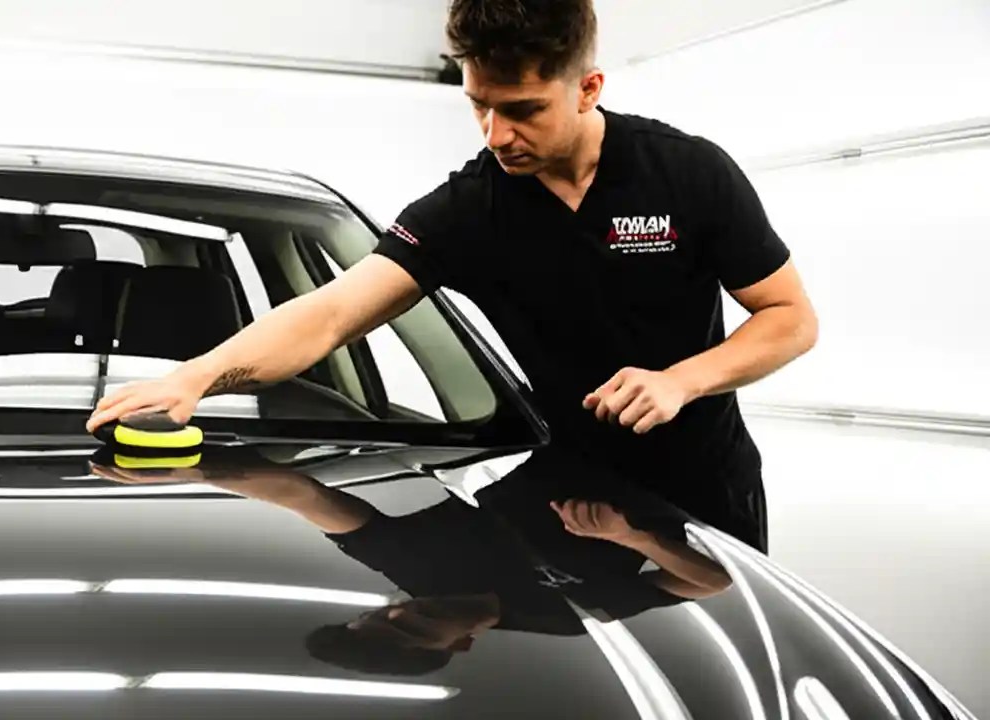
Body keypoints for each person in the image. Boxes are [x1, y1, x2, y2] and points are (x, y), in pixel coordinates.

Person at [86, 0, 818, 554]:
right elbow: (332, 314)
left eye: (523, 110)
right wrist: (198, 378)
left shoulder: (687, 174)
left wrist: (681, 380)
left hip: (702, 498)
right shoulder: (471, 210)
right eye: (479, 106)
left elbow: (790, 318)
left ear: (587, 88)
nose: (497, 136)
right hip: (561, 497)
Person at [90, 445, 734, 676]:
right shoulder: (563, 619)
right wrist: (636, 542)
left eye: (385, 616)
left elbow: (304, 495)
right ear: (460, 648)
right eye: (416, 629)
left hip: (566, 431)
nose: (404, 610)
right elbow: (709, 583)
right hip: (664, 467)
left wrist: (195, 469)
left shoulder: (410, 567)